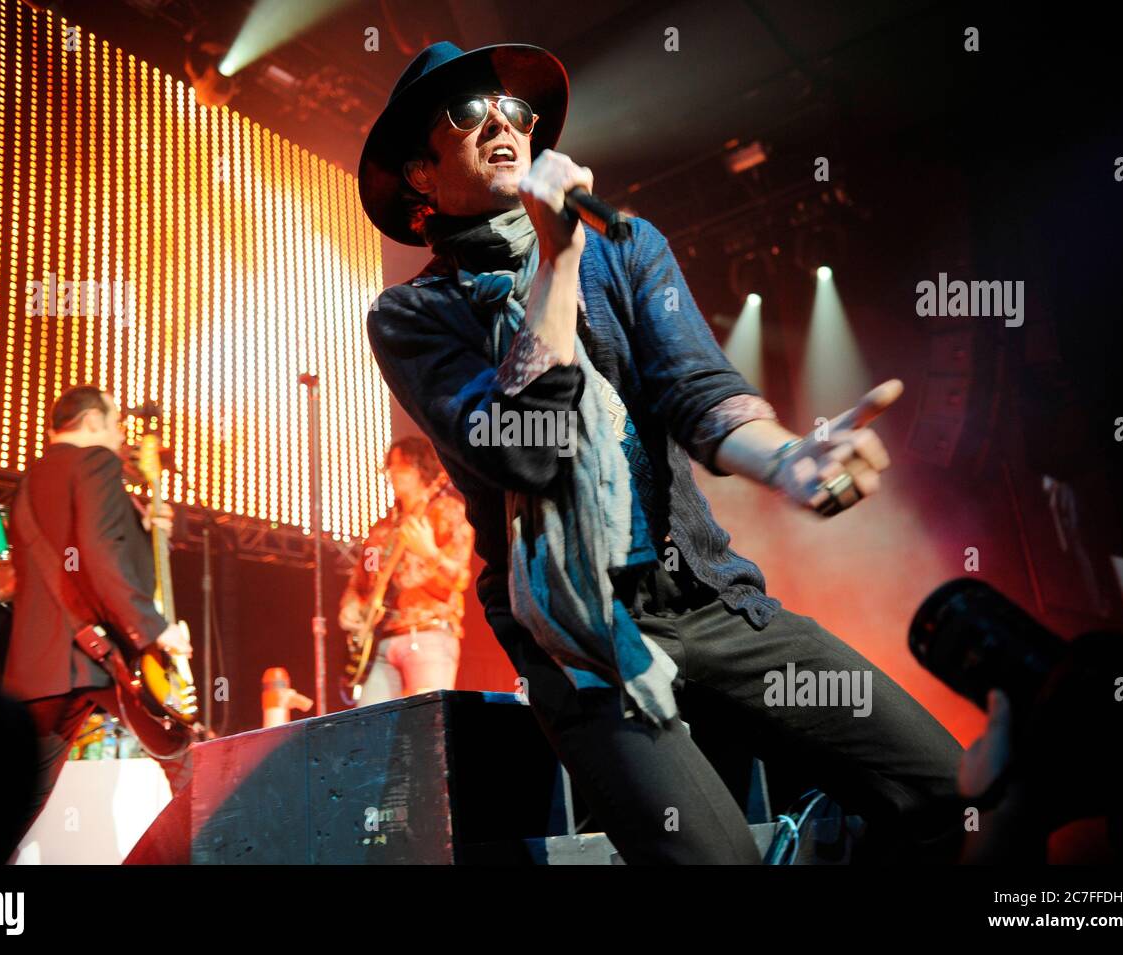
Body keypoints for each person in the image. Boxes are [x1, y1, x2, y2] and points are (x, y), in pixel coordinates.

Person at [358, 42, 965, 863]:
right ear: (420, 176)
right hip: (584, 644)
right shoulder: (411, 316)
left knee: (951, 795)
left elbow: (698, 391)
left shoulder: (627, 245)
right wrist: (557, 262)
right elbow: (527, 450)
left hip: (705, 597)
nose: (502, 121)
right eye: (467, 112)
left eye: (515, 111)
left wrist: (787, 461)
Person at [3, 385, 193, 849]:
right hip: (101, 654)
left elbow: (79, 554)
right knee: (186, 766)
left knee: (14, 806)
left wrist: (146, 529)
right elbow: (101, 554)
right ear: (91, 422)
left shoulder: (31, 481)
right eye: (112, 424)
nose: (118, 437)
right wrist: (153, 629)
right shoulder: (96, 462)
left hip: (42, 664)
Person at [339, 436, 474, 703]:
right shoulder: (381, 530)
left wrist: (430, 554)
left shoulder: (447, 513)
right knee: (370, 727)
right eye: (391, 466)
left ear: (422, 468)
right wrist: (351, 605)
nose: (394, 473)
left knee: (428, 727)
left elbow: (459, 579)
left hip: (428, 635)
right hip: (378, 644)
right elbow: (362, 580)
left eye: (403, 466)